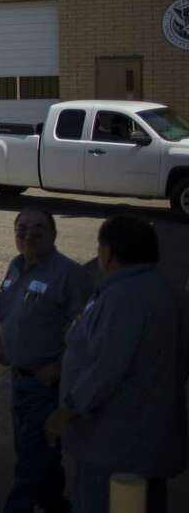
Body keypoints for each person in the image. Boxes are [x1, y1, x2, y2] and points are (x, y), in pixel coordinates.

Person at [45, 216, 188, 513]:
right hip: (146, 440)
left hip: (115, 447)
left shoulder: (123, 297)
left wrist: (66, 410)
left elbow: (104, 369)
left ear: (108, 253)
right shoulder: (168, 291)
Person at [0, 208, 90, 513]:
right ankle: (56, 505)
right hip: (18, 380)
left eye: (38, 228)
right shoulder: (15, 266)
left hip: (45, 386)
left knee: (31, 460)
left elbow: (87, 333)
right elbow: (7, 309)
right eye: (21, 228)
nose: (28, 234)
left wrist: (58, 367)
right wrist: (3, 340)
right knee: (36, 452)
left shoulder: (69, 275)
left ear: (53, 234)